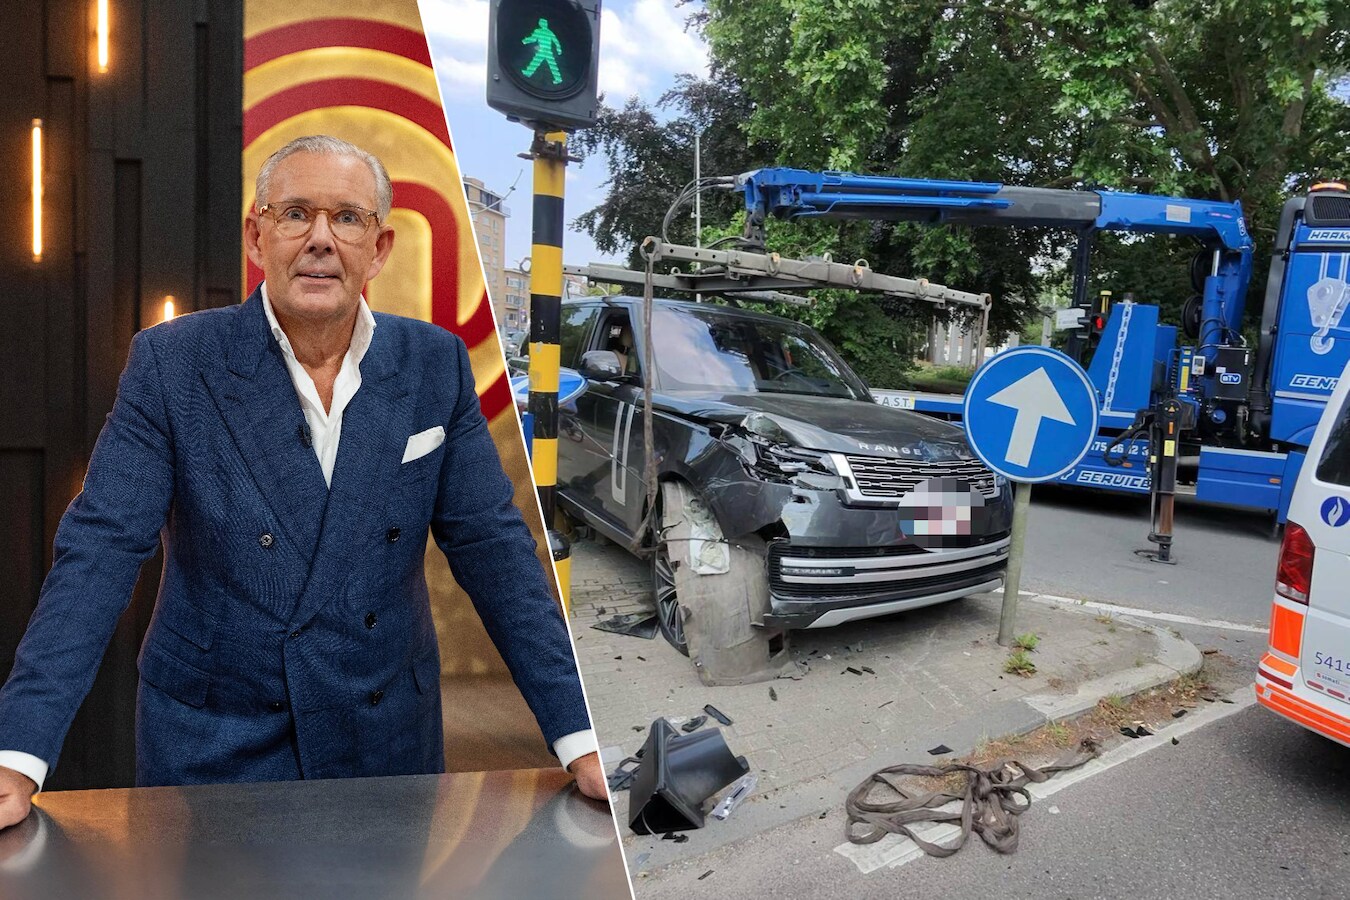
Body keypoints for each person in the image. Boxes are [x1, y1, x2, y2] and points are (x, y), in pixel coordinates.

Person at [0, 135, 604, 829]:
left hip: (385, 741)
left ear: (379, 248)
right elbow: (101, 549)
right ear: (256, 237)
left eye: (346, 218)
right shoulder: (174, 363)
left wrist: (578, 732)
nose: (320, 239)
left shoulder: (433, 363)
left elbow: (494, 551)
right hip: (214, 743)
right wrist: (19, 750)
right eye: (294, 214)